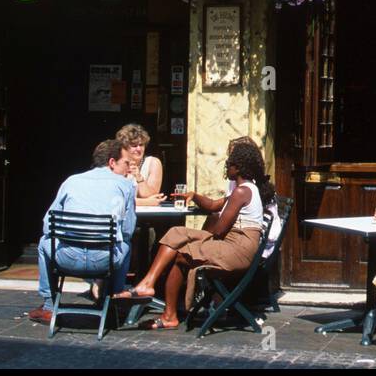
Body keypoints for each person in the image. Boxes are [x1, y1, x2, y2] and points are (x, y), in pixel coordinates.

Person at [118, 137, 275, 329]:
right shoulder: (244, 189)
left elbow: (219, 230)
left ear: (239, 167)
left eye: (229, 164)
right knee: (176, 232)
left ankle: (168, 314)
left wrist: (199, 242)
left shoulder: (242, 192)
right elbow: (215, 207)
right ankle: (148, 283)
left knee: (179, 254)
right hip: (235, 244)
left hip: (237, 250)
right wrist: (194, 196)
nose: (226, 168)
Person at [28, 139, 137, 323]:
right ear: (112, 162)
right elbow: (128, 230)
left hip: (67, 258)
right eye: (126, 163)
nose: (128, 169)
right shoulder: (126, 186)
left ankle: (48, 305)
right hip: (104, 261)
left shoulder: (71, 181)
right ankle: (113, 301)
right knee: (126, 243)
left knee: (43, 243)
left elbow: (48, 223)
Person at [117, 123, 166, 207]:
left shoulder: (153, 162)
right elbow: (118, 198)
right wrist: (146, 201)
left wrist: (138, 176)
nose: (139, 149)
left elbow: (152, 196)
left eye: (141, 145)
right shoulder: (117, 164)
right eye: (134, 145)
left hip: (147, 215)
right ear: (124, 147)